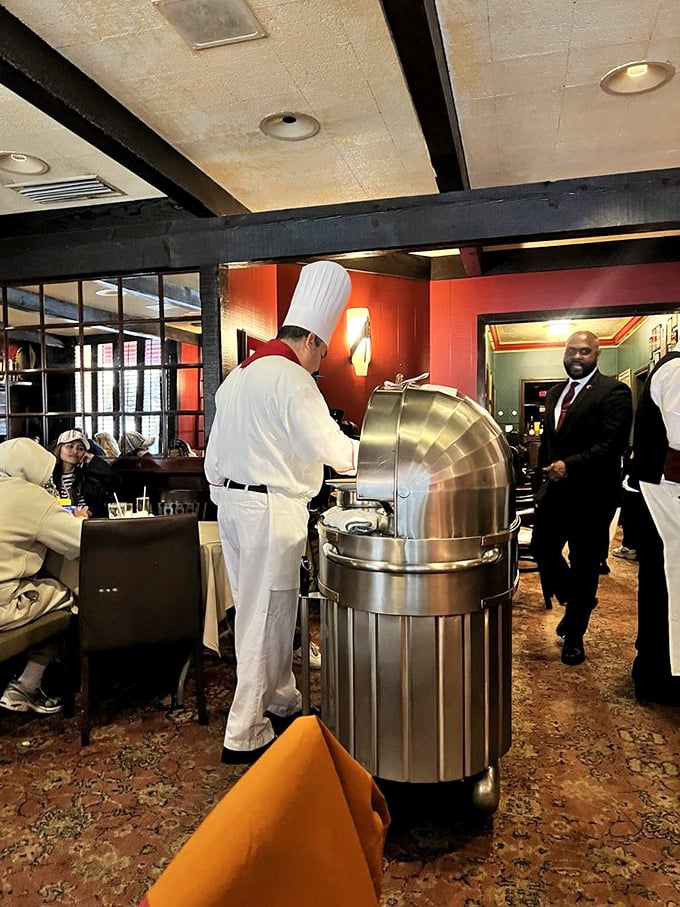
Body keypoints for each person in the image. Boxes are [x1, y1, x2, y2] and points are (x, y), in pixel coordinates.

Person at [204, 260, 358, 765]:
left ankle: (281, 698)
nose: (322, 362)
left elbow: (212, 454)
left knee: (259, 610)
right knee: (267, 616)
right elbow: (336, 450)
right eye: (325, 352)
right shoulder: (293, 379)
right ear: (312, 340)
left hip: (230, 503)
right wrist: (384, 451)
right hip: (270, 510)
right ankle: (244, 731)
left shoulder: (239, 376)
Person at [531, 331, 632, 666]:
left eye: (584, 351)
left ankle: (574, 636)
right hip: (554, 492)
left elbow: (611, 445)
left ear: (597, 354)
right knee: (543, 548)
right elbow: (550, 441)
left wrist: (568, 467)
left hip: (592, 495)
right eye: (572, 350)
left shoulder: (614, 391)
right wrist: (541, 478)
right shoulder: (556, 393)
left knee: (585, 563)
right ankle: (578, 600)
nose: (577, 356)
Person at [0, 437, 87, 715]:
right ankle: (26, 685)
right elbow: (79, 542)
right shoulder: (29, 496)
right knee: (69, 592)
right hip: (4, 607)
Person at [630, 340, 680, 705]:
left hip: (663, 494)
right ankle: (658, 675)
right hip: (662, 498)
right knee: (664, 586)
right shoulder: (676, 371)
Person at [51, 428, 119, 518]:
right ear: (59, 449)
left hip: (86, 525)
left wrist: (93, 460)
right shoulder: (49, 475)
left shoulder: (88, 477)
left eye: (80, 448)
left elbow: (115, 481)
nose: (75, 451)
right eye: (70, 446)